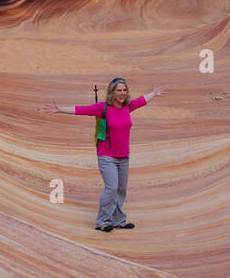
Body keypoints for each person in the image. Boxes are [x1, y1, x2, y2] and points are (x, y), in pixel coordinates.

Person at [43, 78, 164, 231]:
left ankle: (119, 220)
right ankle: (103, 221)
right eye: (118, 90)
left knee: (121, 190)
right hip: (107, 156)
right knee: (112, 188)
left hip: (124, 156)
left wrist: (153, 93)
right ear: (112, 92)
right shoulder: (103, 108)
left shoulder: (127, 107)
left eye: (124, 90)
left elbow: (141, 100)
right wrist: (60, 109)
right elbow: (82, 109)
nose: (122, 93)